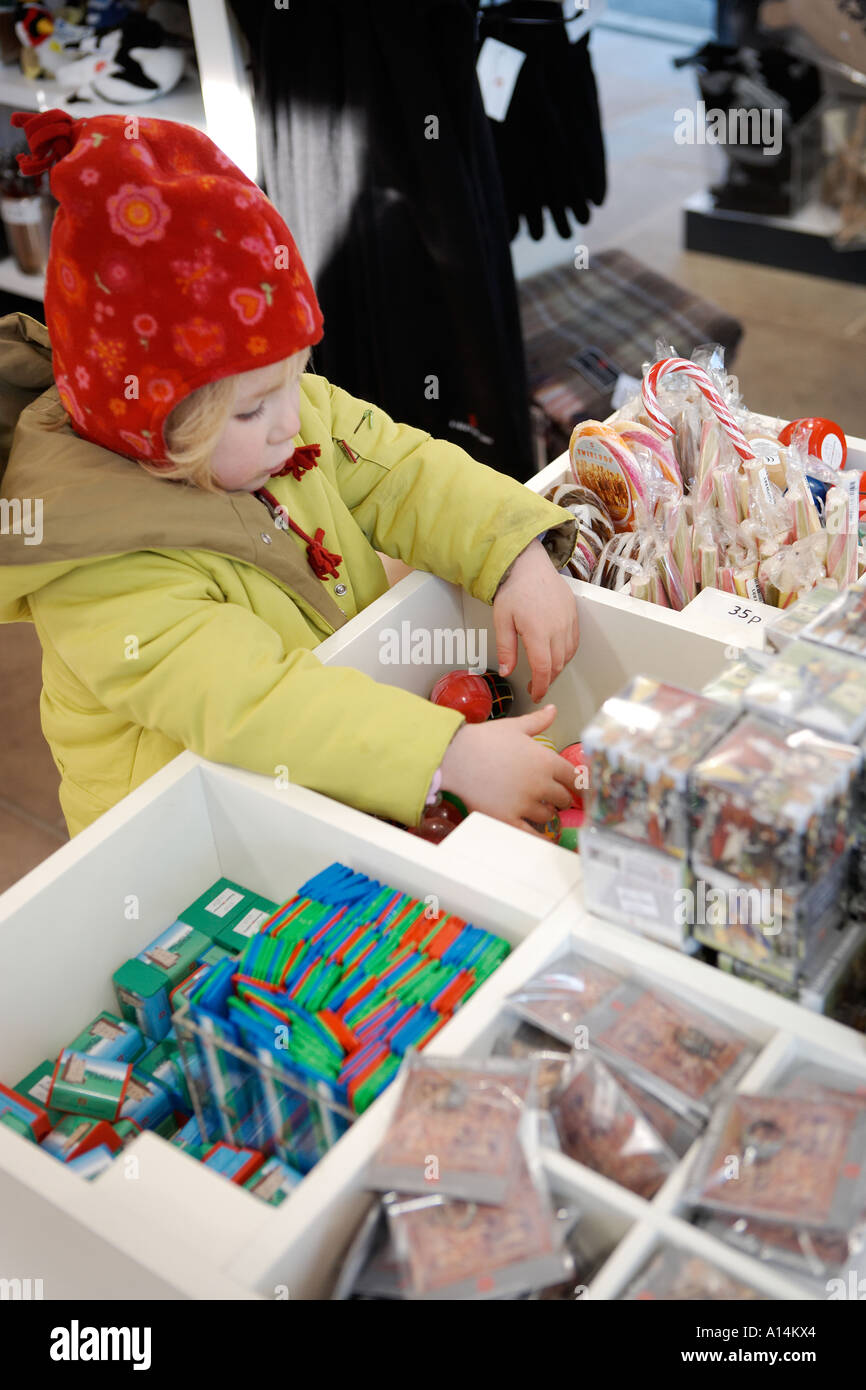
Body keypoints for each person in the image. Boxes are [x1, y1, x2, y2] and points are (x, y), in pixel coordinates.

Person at [0, 108, 581, 840]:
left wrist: (515, 553)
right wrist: (444, 754)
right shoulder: (97, 567)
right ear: (155, 424)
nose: (291, 420)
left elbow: (403, 472)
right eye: (252, 409)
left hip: (320, 765)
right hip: (185, 839)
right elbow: (258, 704)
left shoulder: (279, 415)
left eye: (296, 376)